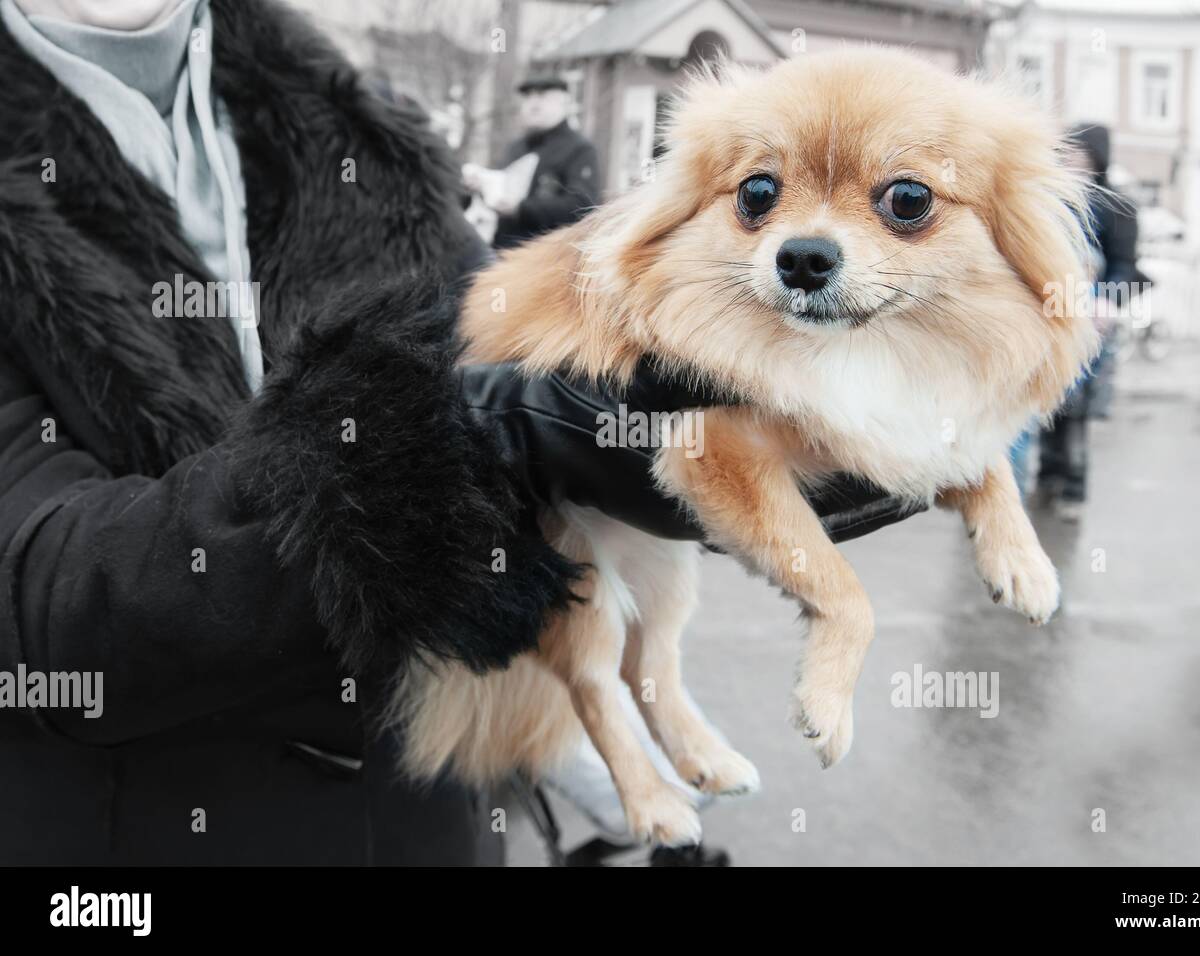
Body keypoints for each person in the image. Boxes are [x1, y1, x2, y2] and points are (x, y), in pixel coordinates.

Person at [0, 0, 912, 865]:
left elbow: (523, 342)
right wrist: (470, 439)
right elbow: (53, 602)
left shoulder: (347, 130)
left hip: (425, 816)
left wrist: (740, 386)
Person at [1018, 123, 1150, 519]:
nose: (1072, 160)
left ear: (1097, 159)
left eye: (1081, 153)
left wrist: (1107, 301)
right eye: (1068, 151)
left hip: (1090, 320)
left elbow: (1126, 266)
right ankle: (1044, 480)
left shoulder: (1115, 207)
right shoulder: (1047, 198)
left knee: (1073, 414)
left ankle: (1072, 489)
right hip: (1046, 317)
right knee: (1038, 402)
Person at [485, 70, 600, 249]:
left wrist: (521, 209)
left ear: (564, 103)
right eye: (528, 96)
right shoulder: (516, 147)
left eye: (542, 96)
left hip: (546, 258)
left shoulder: (580, 149)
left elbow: (582, 206)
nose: (533, 103)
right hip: (502, 251)